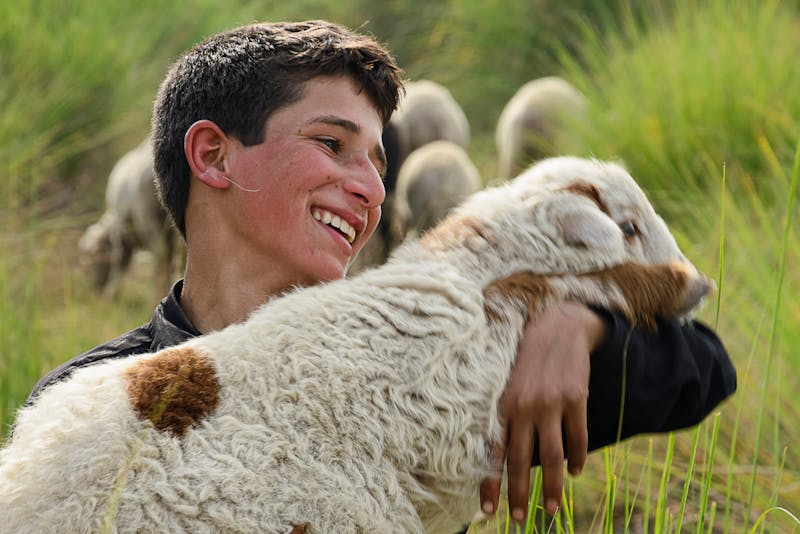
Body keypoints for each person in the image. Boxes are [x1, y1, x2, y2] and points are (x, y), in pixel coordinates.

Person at [26, 20, 736, 529]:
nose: (369, 188)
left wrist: (583, 325)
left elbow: (703, 370)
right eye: (332, 144)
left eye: (378, 162)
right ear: (213, 156)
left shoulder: (436, 352)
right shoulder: (101, 403)